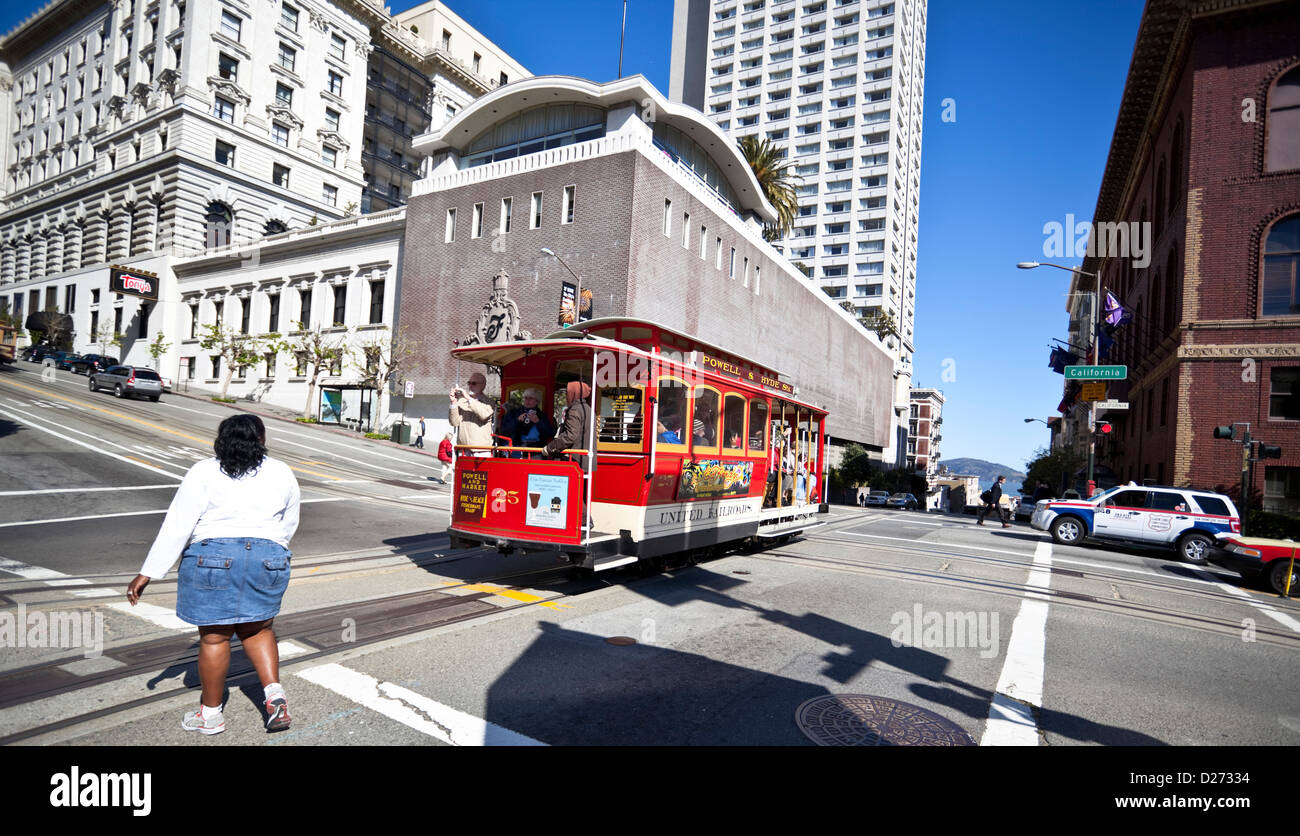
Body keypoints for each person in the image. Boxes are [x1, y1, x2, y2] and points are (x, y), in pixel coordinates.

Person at [126, 415, 300, 735]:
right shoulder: (282, 471)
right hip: (269, 555)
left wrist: (148, 572)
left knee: (215, 637)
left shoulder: (204, 470)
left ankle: (210, 715)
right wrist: (266, 553)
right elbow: (288, 524)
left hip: (214, 556)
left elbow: (179, 523)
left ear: (222, 439)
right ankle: (275, 696)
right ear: (261, 440)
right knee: (259, 629)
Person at [544, 381, 593, 469]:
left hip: (574, 460)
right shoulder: (588, 409)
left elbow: (570, 436)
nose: (566, 396)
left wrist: (549, 448)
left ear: (574, 393)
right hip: (584, 461)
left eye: (568, 392)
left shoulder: (574, 410)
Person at [449, 372, 495, 456]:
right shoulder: (462, 401)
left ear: (483, 385)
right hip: (463, 450)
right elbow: (454, 422)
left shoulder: (489, 402)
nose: (470, 386)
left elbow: (484, 415)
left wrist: (468, 398)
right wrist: (453, 402)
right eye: (469, 383)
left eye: (474, 383)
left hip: (481, 451)